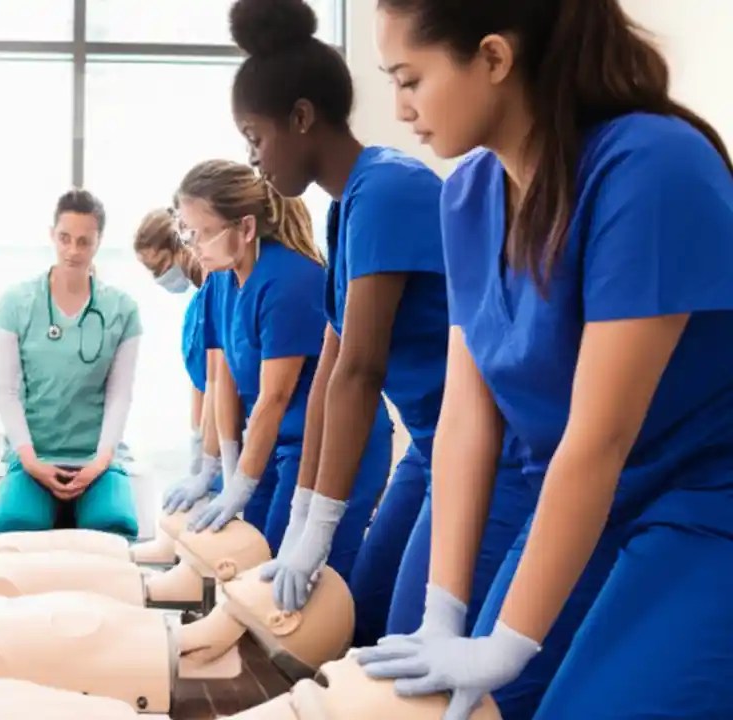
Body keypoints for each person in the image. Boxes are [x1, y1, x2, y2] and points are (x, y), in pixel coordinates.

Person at [358, 2, 733, 719]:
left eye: (410, 79)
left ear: (495, 59)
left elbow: (602, 436)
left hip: (707, 502)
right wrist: (445, 613)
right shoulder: (466, 197)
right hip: (587, 500)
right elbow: (468, 419)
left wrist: (505, 644)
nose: (400, 108)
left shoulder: (651, 166)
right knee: (452, 704)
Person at [223, 0, 535, 651]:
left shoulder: (388, 189)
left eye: (255, 137)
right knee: (361, 616)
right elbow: (333, 374)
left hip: (491, 451)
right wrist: (306, 522)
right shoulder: (349, 208)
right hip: (428, 445)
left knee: (401, 640)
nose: (253, 159)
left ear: (302, 118)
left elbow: (361, 372)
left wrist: (315, 531)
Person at [178, 159, 392, 560]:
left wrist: (242, 486)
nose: (193, 247)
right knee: (240, 556)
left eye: (202, 234)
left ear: (245, 228)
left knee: (289, 572)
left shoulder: (289, 280)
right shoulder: (220, 280)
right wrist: (217, 469)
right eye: (186, 232)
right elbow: (221, 381)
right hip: (274, 444)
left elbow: (274, 398)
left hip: (330, 446)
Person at [0, 189, 142, 537]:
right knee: (16, 524)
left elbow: (120, 395)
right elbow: (6, 392)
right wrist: (30, 460)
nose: (73, 251)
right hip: (33, 454)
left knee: (113, 525)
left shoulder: (122, 309)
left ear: (98, 242)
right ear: (51, 235)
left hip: (96, 456)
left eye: (84, 241)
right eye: (65, 238)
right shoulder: (16, 303)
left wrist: (101, 461)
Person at [132, 209, 226, 512]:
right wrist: (198, 451)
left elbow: (221, 382)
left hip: (233, 437)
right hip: (213, 437)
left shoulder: (222, 290)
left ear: (181, 244)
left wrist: (213, 459)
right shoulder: (197, 307)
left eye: (160, 266)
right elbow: (200, 381)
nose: (159, 277)